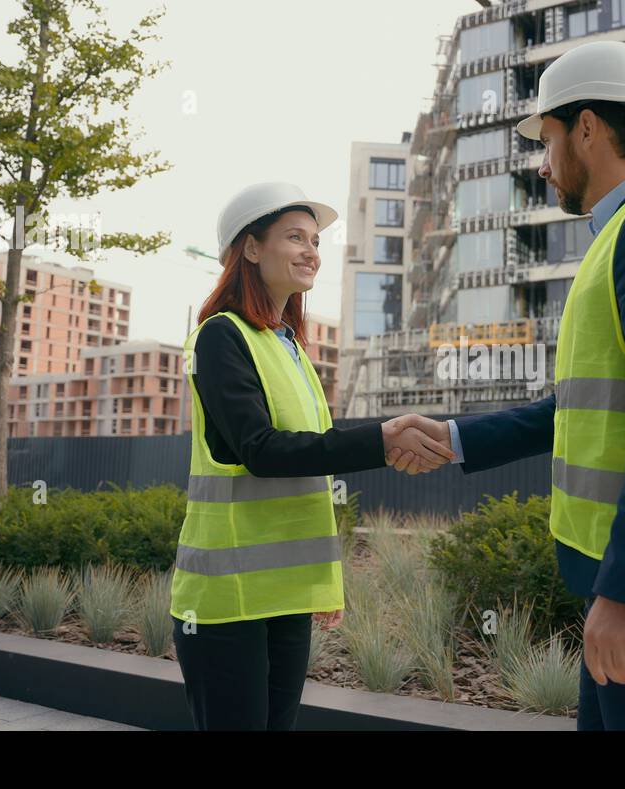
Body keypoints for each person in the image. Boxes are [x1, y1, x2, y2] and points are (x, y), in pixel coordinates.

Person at [387, 41, 625, 730]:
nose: (544, 164)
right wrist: (457, 437)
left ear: (588, 127)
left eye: (549, 140)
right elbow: (587, 408)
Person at [170, 182, 453, 730]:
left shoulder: (290, 346)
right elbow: (261, 451)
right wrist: (381, 438)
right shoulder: (219, 338)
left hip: (287, 596)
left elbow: (309, 465)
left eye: (315, 241)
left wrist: (322, 585)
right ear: (251, 249)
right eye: (294, 237)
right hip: (227, 601)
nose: (311, 251)